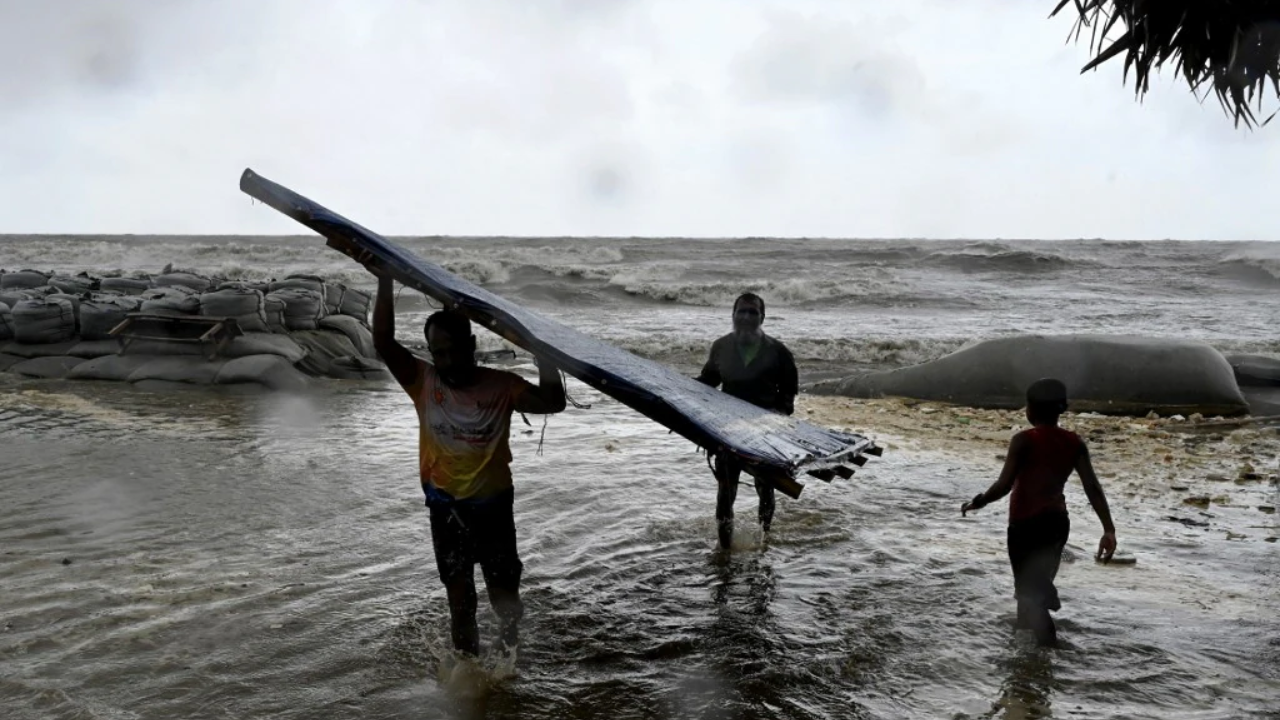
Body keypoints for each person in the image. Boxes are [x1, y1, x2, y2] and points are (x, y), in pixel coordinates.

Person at [363, 258, 566, 656]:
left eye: (456, 351)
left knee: (505, 601)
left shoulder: (501, 386)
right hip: (446, 510)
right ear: (431, 354)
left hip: (494, 510)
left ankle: (508, 670)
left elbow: (553, 401)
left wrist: (542, 352)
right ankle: (470, 678)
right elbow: (384, 342)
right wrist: (384, 280)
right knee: (461, 605)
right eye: (439, 353)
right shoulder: (424, 381)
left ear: (473, 347)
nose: (449, 361)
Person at [962, 378, 1117, 647]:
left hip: (1025, 526)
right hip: (1057, 525)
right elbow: (1092, 486)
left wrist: (979, 502)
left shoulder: (1024, 440)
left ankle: (1048, 660)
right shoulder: (1074, 442)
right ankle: (1023, 654)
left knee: (1029, 596)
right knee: (1035, 590)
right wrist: (1108, 529)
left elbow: (1004, 485)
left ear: (1030, 410)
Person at [695, 292, 798, 549]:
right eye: (741, 311)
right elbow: (708, 382)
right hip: (728, 431)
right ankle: (725, 549)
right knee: (725, 493)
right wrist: (674, 385)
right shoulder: (721, 346)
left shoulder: (779, 352)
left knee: (765, 488)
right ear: (733, 315)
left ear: (763, 317)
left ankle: (764, 539)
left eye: (753, 312)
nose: (746, 317)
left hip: (764, 434)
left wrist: (776, 419)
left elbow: (787, 399)